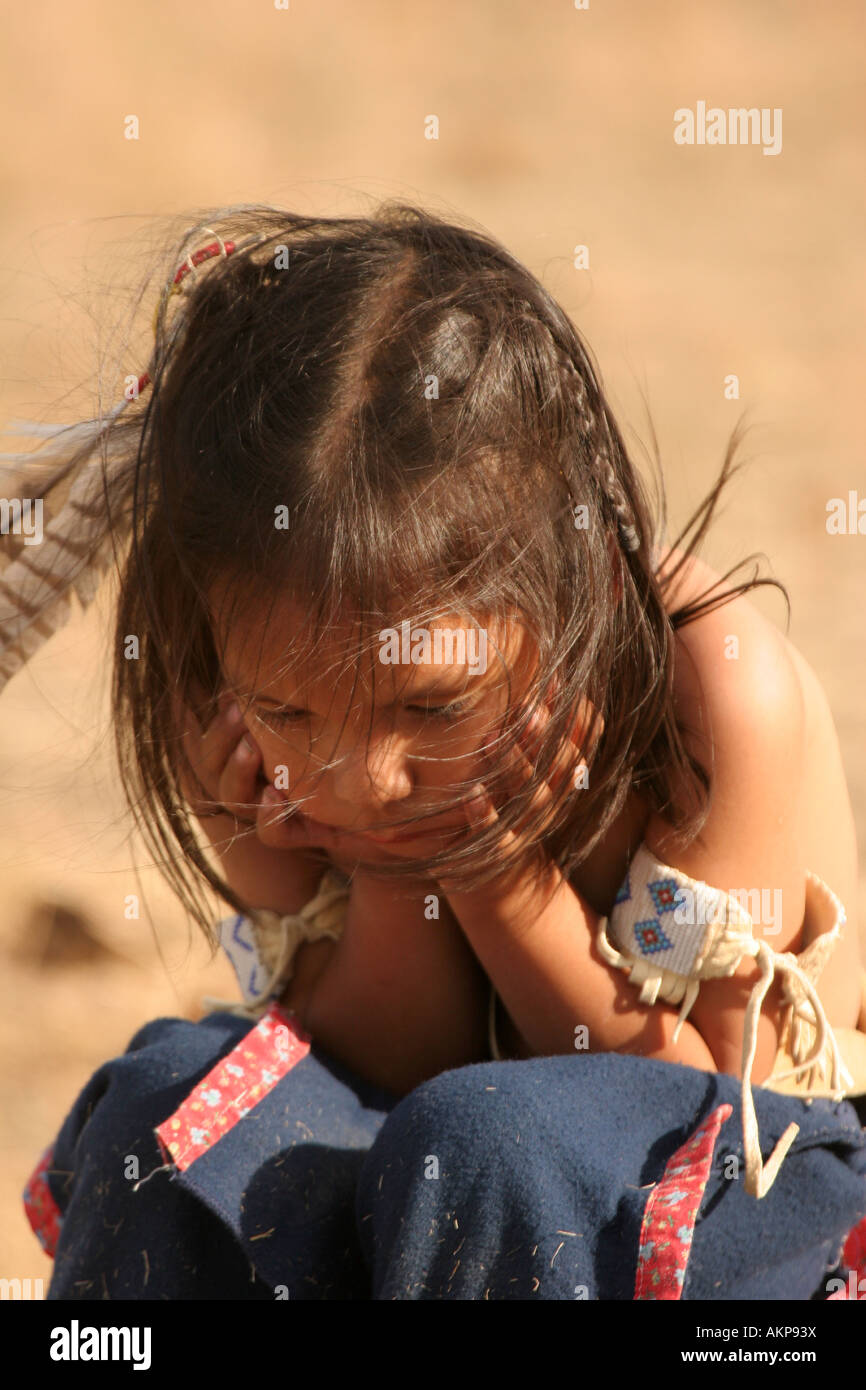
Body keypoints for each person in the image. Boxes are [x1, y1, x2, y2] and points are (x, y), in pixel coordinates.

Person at [8, 202, 866, 1299]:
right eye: (300, 715)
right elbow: (376, 1059)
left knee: (485, 1142)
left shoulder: (710, 700)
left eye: (428, 703)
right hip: (441, 1192)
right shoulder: (228, 680)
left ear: (563, 588)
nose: (363, 775)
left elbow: (698, 1108)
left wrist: (497, 872)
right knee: (167, 1110)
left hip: (737, 1217)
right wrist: (383, 862)